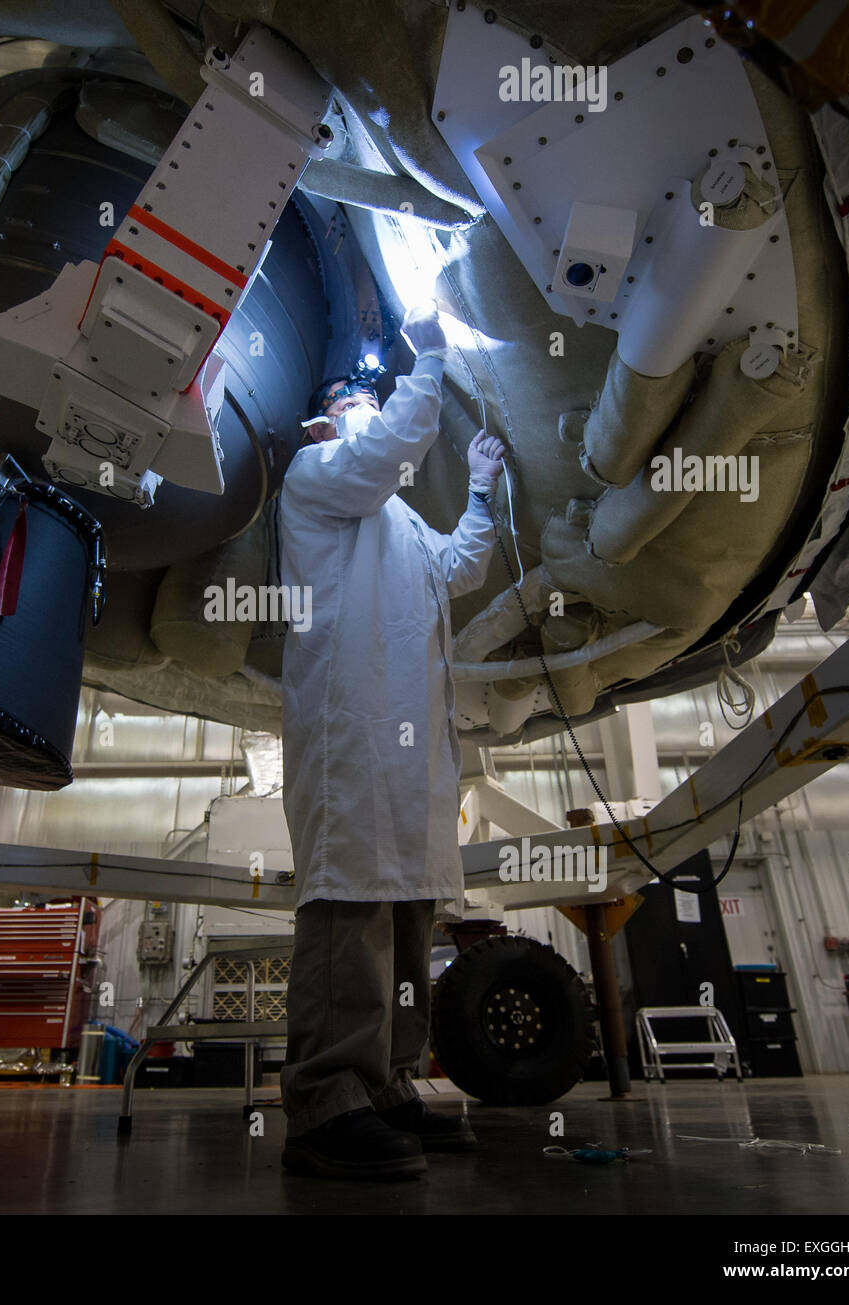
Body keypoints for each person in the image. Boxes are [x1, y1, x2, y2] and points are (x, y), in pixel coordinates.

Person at [277, 303, 506, 1181]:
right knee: (352, 910)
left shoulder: (399, 522)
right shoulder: (319, 475)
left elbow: (461, 569)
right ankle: (326, 1102)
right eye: (352, 396)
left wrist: (480, 490)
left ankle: (390, 1084)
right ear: (323, 419)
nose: (364, 403)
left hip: (408, 752)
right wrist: (429, 360)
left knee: (409, 910)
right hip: (352, 736)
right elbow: (388, 452)